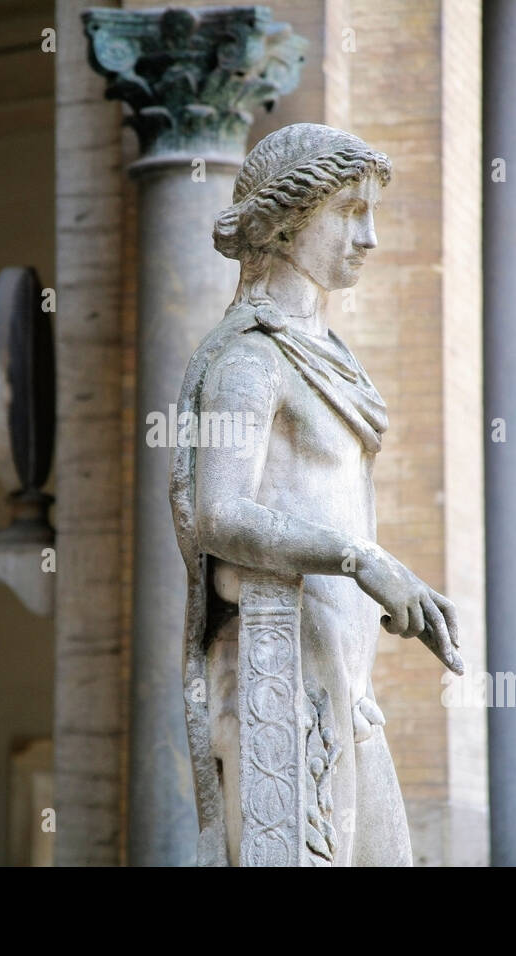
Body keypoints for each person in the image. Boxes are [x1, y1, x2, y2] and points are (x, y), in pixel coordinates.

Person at [170, 123, 462, 866]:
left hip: (344, 684)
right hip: (279, 680)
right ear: (289, 218)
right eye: (349, 211)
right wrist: (359, 559)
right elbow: (220, 514)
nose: (369, 237)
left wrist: (386, 577)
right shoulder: (250, 358)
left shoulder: (327, 360)